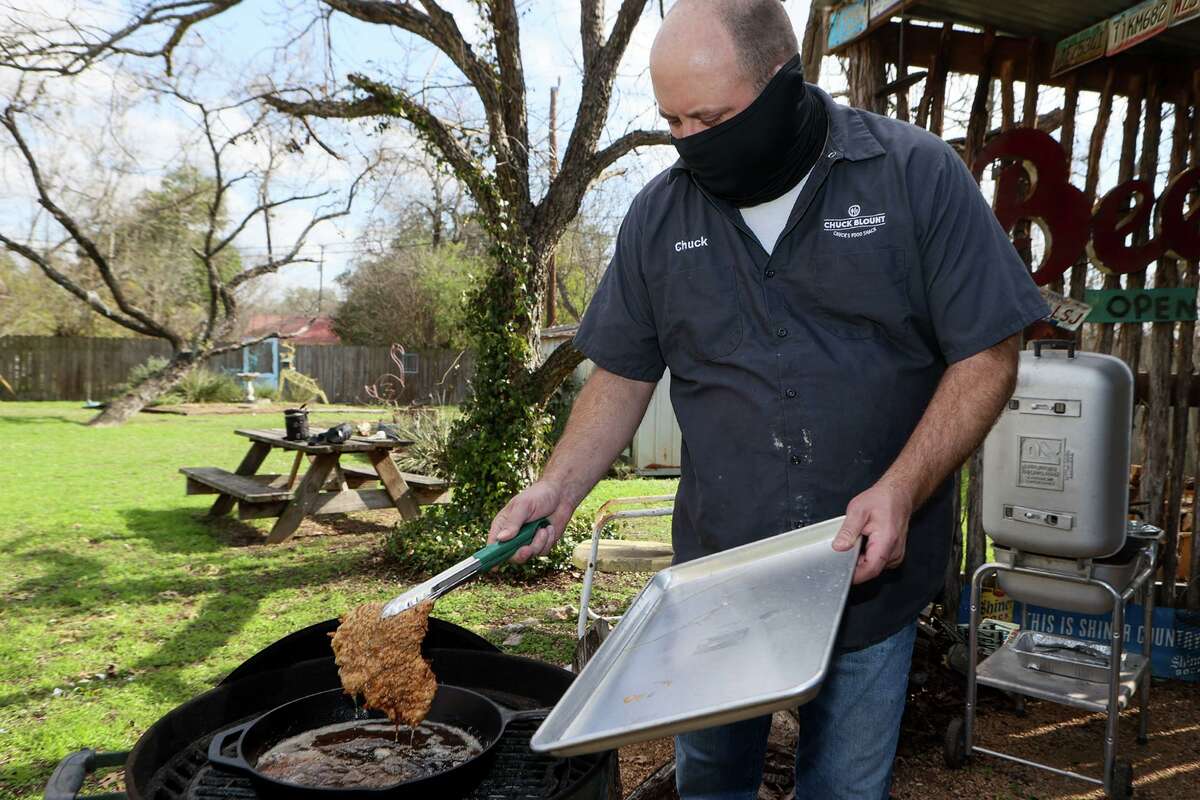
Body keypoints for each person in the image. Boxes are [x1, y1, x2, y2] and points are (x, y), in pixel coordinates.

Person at [488, 0, 1048, 797]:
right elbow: (621, 375)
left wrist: (901, 486)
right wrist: (559, 484)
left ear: (784, 80)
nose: (689, 142)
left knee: (844, 788)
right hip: (718, 581)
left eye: (711, 119)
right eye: (672, 121)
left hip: (868, 575)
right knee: (711, 782)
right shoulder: (658, 216)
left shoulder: (913, 174)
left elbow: (988, 351)